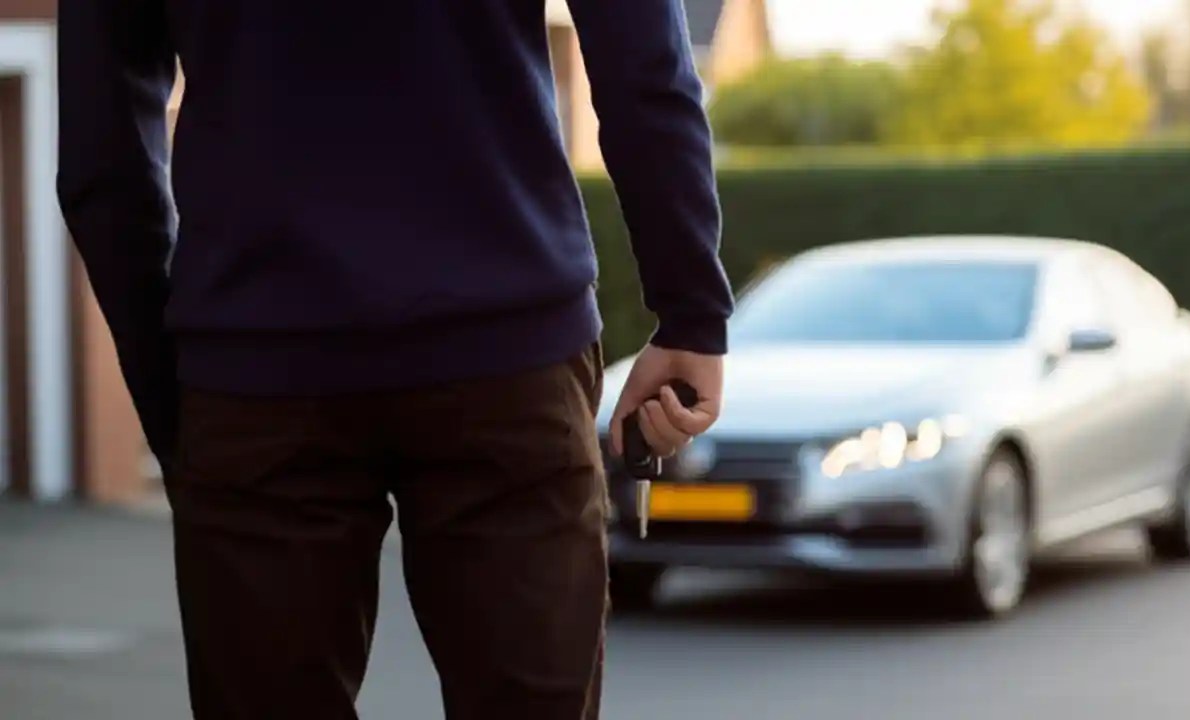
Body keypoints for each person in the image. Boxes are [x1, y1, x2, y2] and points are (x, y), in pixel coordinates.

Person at [56, 1, 733, 718]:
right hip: (508, 361)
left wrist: (175, 402)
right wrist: (690, 311)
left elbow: (103, 155)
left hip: (255, 378)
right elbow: (646, 68)